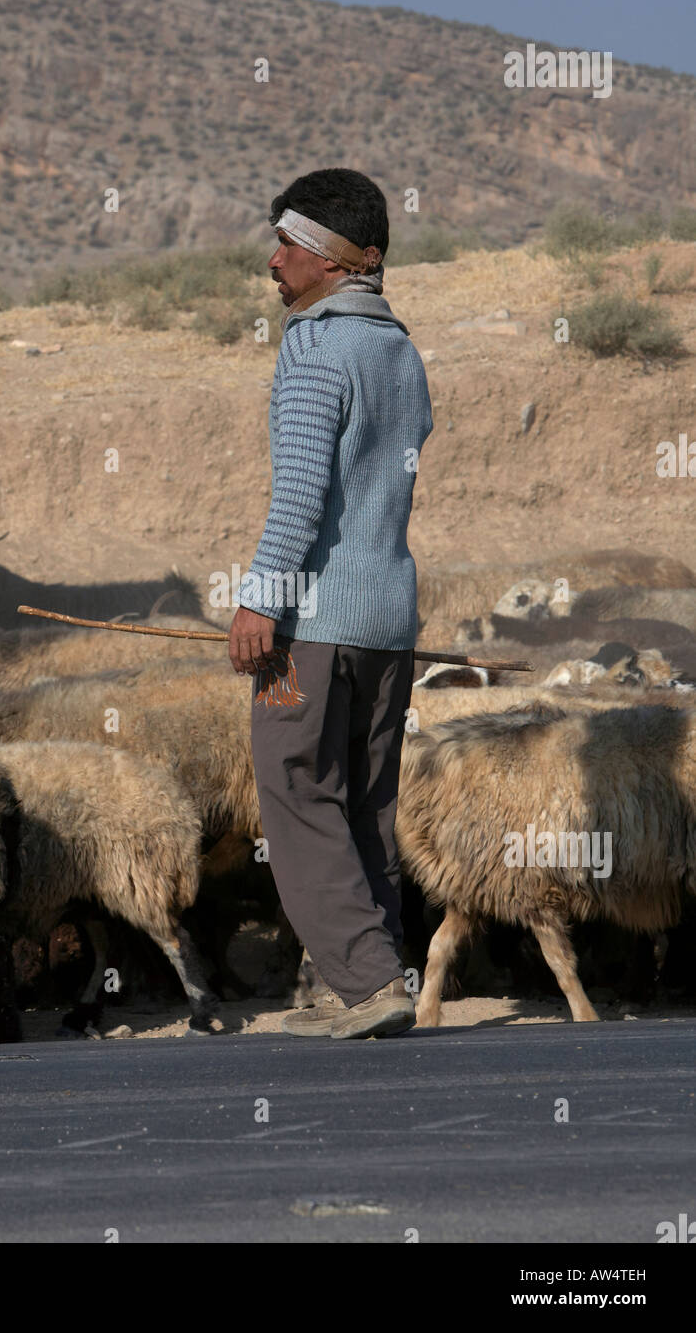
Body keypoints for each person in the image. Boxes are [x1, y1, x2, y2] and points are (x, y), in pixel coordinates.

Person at [227, 168, 434, 1039]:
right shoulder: (401, 351)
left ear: (347, 262)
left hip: (316, 622)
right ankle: (363, 982)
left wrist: (258, 600)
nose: (274, 262)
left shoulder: (315, 348)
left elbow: (302, 494)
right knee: (364, 806)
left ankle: (370, 981)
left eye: (292, 247)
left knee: (295, 787)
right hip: (390, 619)